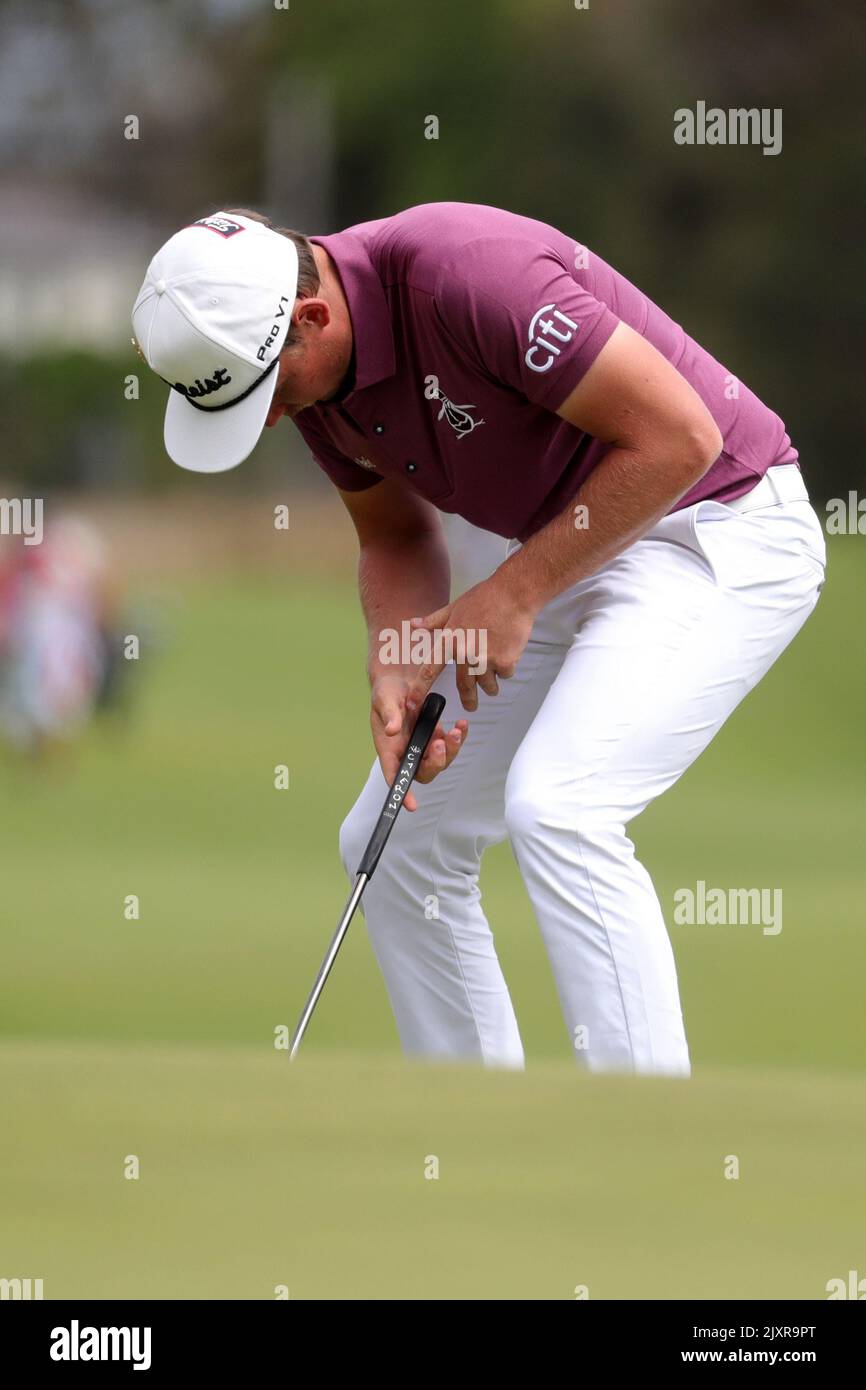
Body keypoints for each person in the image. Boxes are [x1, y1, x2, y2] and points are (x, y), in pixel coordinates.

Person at [132, 203, 826, 1073]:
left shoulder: (465, 276)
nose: (269, 418)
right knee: (392, 845)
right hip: (578, 551)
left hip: (721, 523)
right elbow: (395, 535)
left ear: (310, 319)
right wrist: (396, 666)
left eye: (265, 390)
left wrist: (514, 590)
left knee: (561, 806)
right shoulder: (314, 373)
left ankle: (648, 1144)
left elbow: (682, 439)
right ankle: (468, 1129)